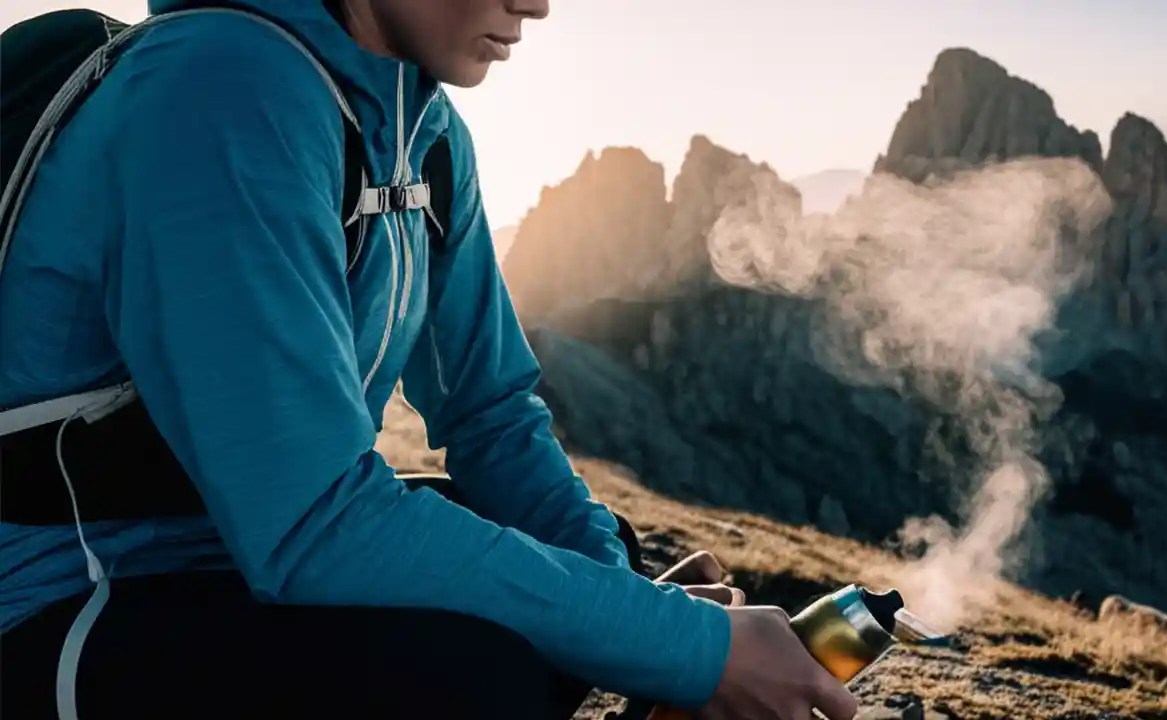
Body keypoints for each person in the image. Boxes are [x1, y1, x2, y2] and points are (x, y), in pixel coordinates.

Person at [0, 1, 862, 718]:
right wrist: (688, 648)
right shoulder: (219, 89)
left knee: (592, 558)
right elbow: (314, 528)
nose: (537, 3)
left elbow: (491, 417)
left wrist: (645, 620)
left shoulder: (426, 131)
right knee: (477, 674)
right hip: (76, 598)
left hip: (233, 561)